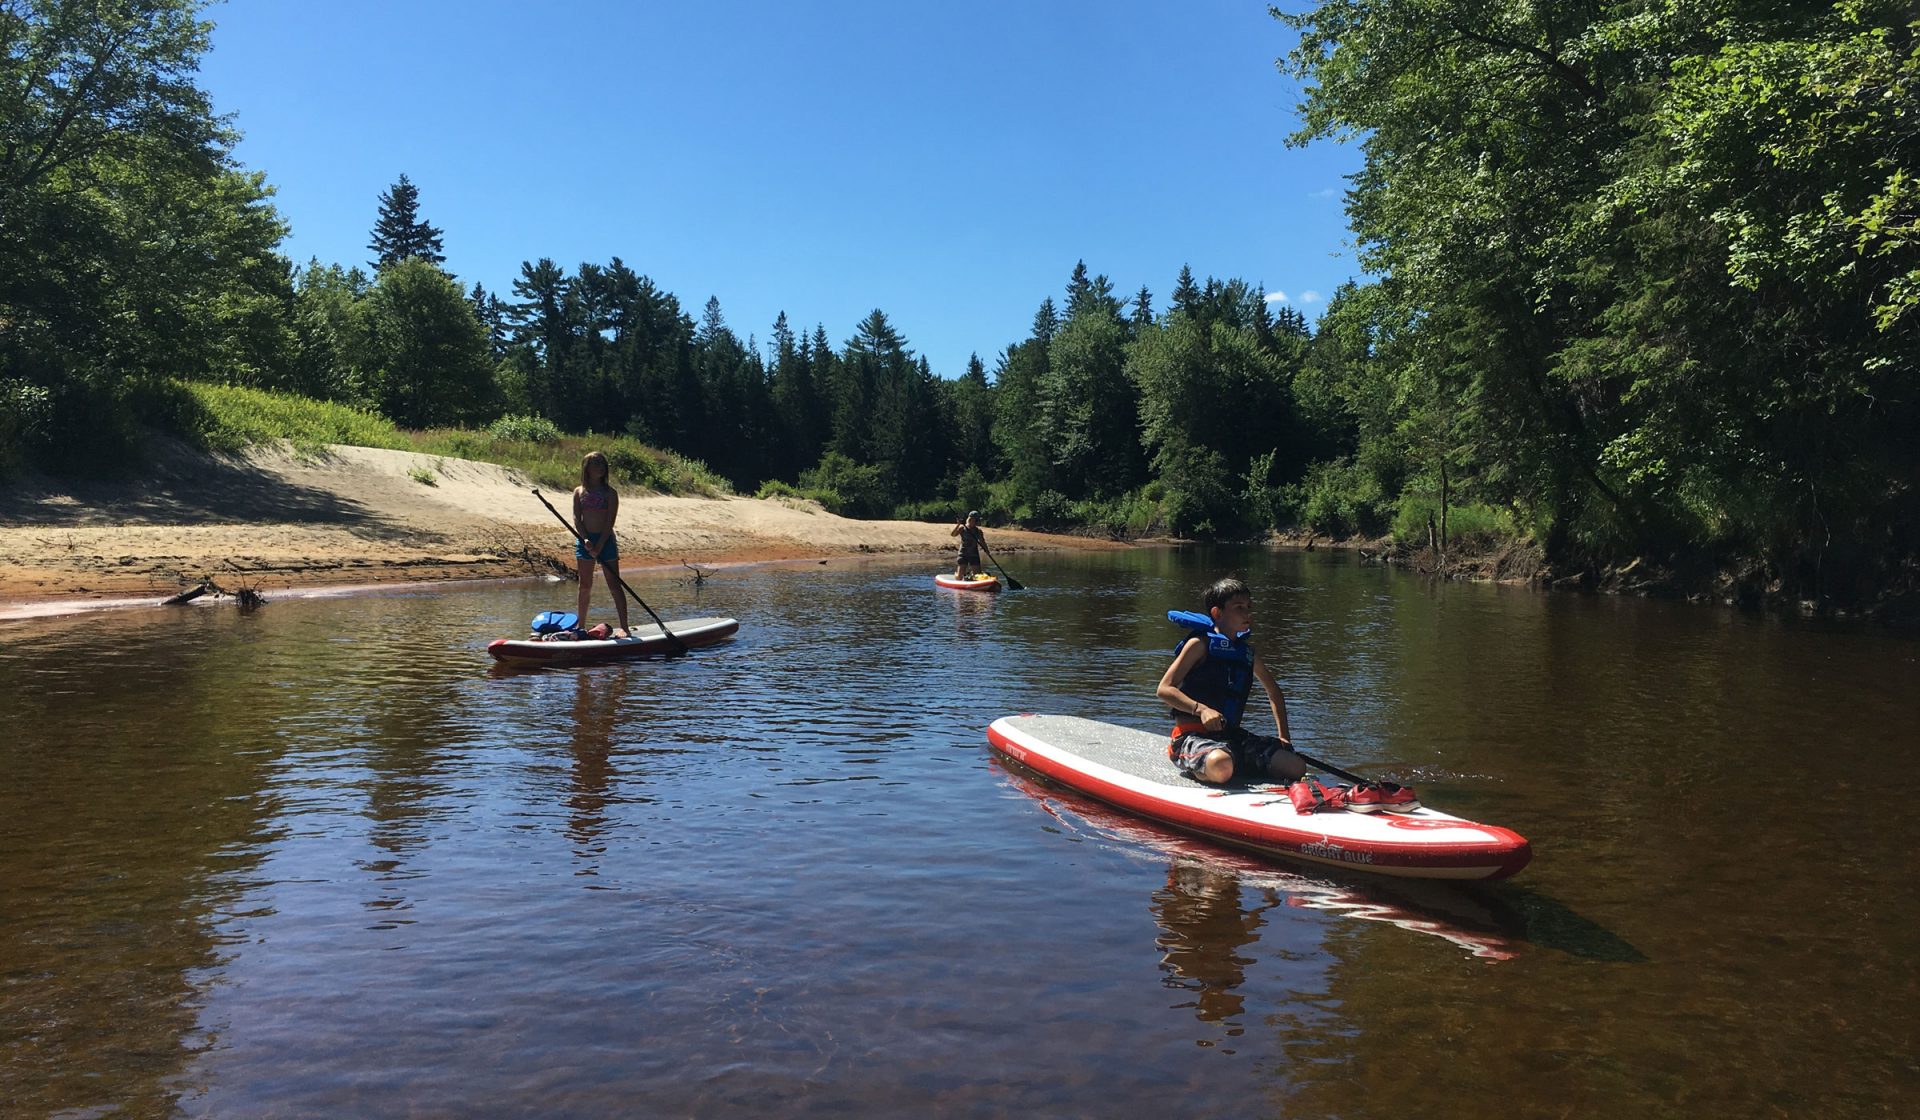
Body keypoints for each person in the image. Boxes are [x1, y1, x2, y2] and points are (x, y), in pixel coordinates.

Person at [1155, 577, 1306, 786]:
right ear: (1217, 613)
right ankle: (1204, 764)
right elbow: (1164, 689)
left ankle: (1232, 764)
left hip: (1231, 738)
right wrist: (1201, 710)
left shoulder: (1247, 654)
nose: (1247, 613)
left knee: (1295, 766)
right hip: (1191, 736)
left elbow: (1274, 692)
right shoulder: (1199, 645)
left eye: (1248, 607)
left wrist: (1285, 738)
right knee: (1221, 764)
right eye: (1239, 607)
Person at [573, 450, 631, 637]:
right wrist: (585, 539)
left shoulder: (610, 493)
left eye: (602, 464)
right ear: (587, 468)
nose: (600, 467)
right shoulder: (579, 492)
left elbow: (609, 522)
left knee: (614, 585)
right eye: (596, 464)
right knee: (585, 586)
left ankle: (624, 627)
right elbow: (577, 518)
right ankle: (581, 627)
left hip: (606, 541)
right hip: (585, 542)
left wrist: (599, 545)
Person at [950, 510, 986, 579]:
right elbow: (953, 534)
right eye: (976, 520)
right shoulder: (962, 528)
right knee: (960, 577)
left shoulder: (978, 531)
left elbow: (982, 541)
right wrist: (958, 524)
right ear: (971, 519)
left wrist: (987, 550)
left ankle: (971, 574)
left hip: (974, 554)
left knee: (978, 576)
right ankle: (957, 574)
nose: (977, 522)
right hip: (963, 553)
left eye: (977, 520)